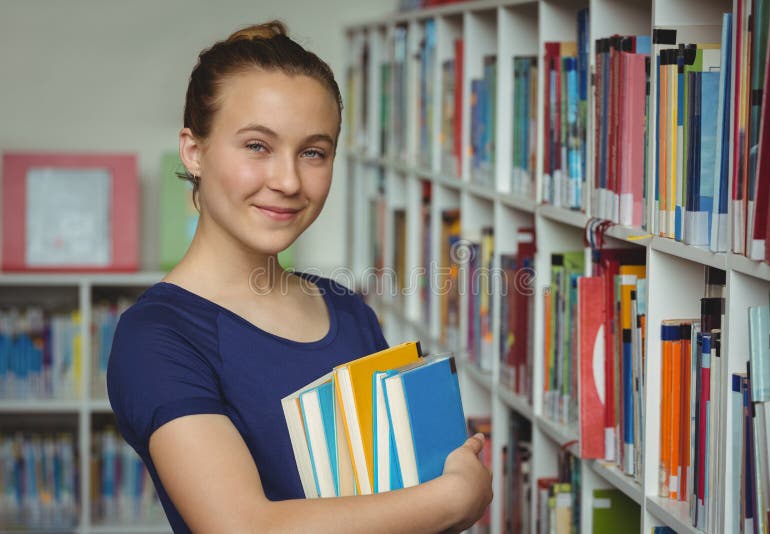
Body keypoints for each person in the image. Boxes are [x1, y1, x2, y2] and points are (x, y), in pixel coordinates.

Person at [106, 20, 492, 533]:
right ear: (194, 152)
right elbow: (243, 528)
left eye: (313, 152)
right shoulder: (156, 337)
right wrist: (455, 498)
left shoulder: (346, 308)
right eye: (257, 146)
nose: (288, 181)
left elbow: (393, 496)